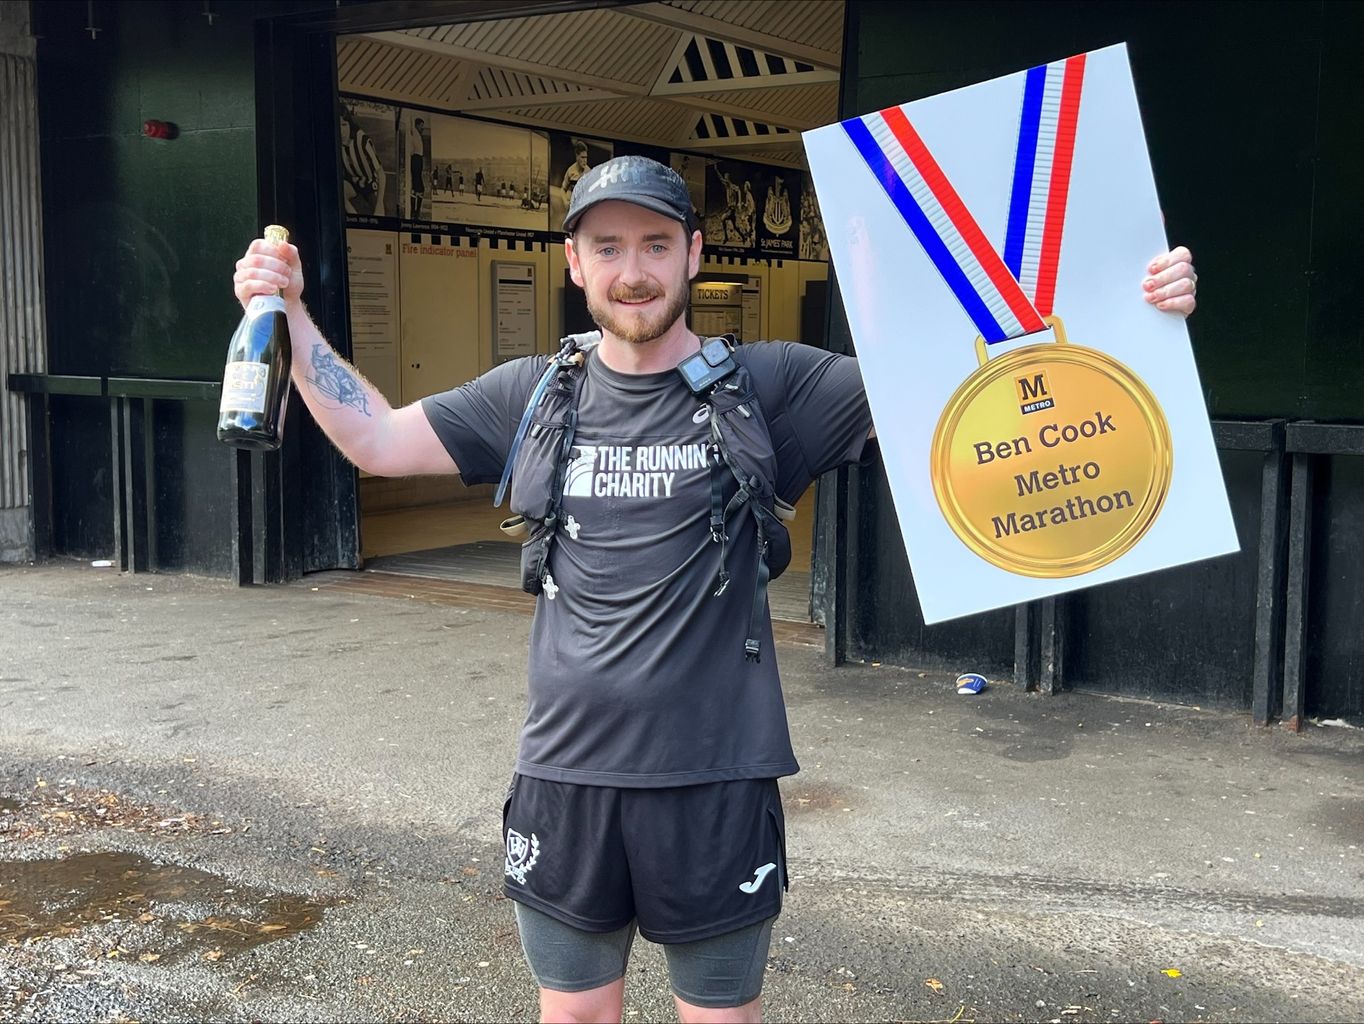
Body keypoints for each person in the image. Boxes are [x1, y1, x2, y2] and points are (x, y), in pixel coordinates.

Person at [232, 155, 1198, 1024]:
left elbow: (976, 386)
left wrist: (1134, 309)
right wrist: (295, 312)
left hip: (717, 779)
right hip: (565, 777)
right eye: (607, 247)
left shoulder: (774, 386)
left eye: (656, 243)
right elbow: (377, 438)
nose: (633, 269)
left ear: (692, 253)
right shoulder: (534, 392)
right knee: (571, 1014)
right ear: (576, 264)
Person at [339, 111, 385, 218]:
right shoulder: (336, 141)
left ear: (350, 124)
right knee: (338, 190)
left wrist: (379, 204)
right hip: (353, 181)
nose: (341, 131)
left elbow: (381, 173)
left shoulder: (362, 140)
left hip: (369, 181)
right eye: (338, 126)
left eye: (344, 125)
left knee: (381, 214)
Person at [409, 117, 427, 220]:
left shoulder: (417, 134)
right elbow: (411, 123)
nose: (422, 128)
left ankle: (415, 212)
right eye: (421, 125)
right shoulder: (414, 132)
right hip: (416, 159)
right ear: (417, 125)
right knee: (419, 188)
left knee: (417, 188)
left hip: (418, 159)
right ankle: (415, 211)